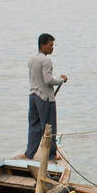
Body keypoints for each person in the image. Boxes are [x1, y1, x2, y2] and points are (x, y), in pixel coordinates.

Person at [26, 32, 66, 160]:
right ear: (42, 45)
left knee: (34, 126)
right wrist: (61, 79)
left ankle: (30, 153)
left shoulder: (32, 59)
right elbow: (48, 80)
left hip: (33, 96)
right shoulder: (46, 60)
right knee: (50, 127)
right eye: (50, 45)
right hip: (45, 98)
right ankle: (51, 154)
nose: (52, 48)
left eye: (53, 45)